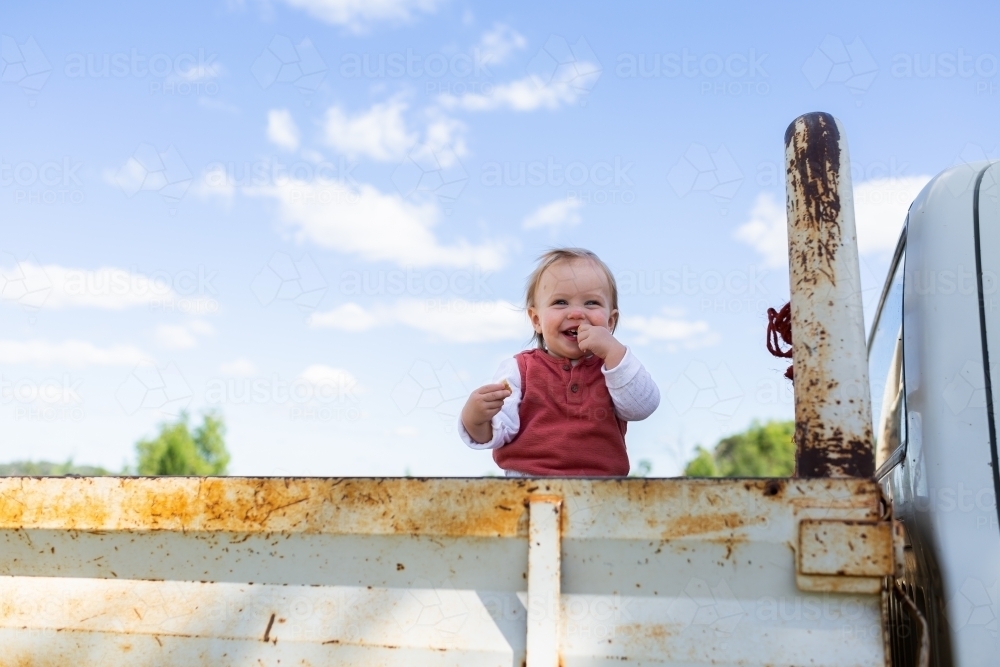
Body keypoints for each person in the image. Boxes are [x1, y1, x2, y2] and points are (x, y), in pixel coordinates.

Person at [459, 248, 660, 476]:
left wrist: (614, 352)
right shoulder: (519, 370)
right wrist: (474, 418)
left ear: (610, 321)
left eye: (591, 303)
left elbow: (643, 406)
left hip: (603, 494)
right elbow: (499, 430)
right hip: (528, 490)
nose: (576, 313)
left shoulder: (614, 369)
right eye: (561, 302)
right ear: (536, 320)